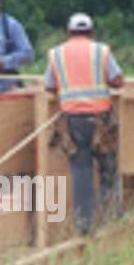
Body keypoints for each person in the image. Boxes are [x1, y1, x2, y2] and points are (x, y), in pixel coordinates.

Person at [43, 12, 125, 235]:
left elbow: (49, 86)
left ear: (69, 32)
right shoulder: (102, 51)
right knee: (108, 168)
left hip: (73, 121)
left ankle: (84, 225)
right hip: (101, 120)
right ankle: (111, 221)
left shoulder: (56, 54)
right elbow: (118, 81)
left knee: (81, 171)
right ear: (91, 32)